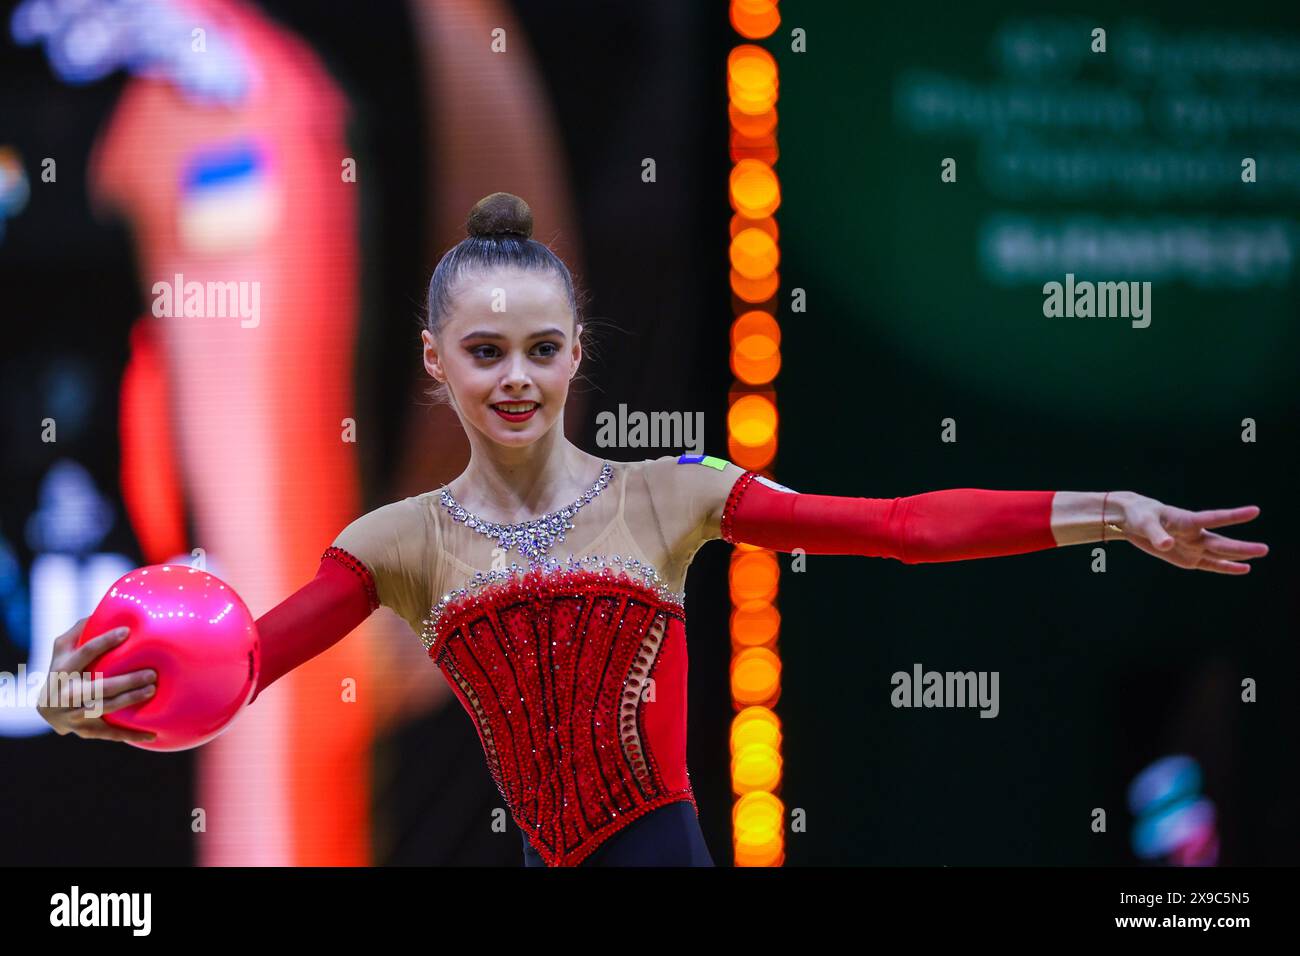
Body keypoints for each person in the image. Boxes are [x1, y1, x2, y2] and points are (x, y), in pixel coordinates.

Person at [38, 192, 1270, 866]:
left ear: (576, 354)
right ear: (434, 363)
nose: (514, 377)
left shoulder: (667, 491)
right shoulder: (397, 538)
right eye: (483, 352)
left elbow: (898, 527)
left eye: (539, 349)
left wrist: (1112, 513)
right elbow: (239, 663)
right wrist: (83, 700)